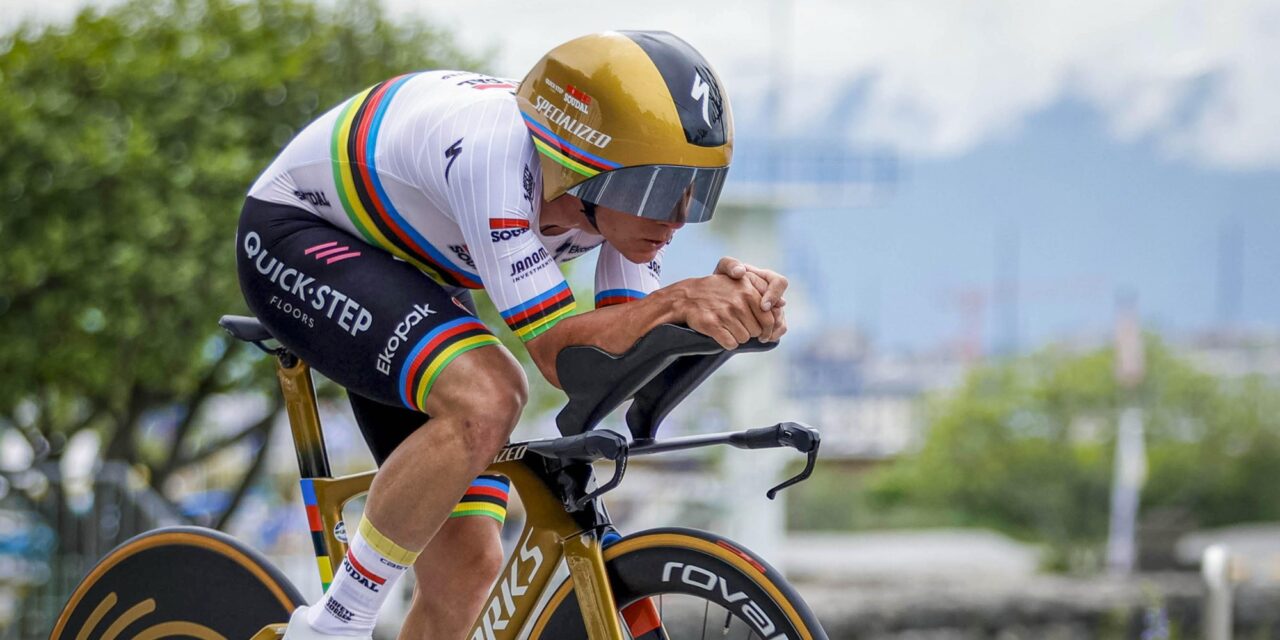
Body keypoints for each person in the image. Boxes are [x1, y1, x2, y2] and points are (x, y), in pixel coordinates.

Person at [236, 30, 788, 640]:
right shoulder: (494, 159)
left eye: (695, 189)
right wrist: (678, 301)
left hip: (415, 271)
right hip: (300, 233)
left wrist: (732, 318)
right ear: (584, 169)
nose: (678, 216)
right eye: (660, 188)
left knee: (468, 570)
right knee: (491, 393)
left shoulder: (619, 212)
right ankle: (331, 625)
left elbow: (613, 357)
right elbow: (559, 356)